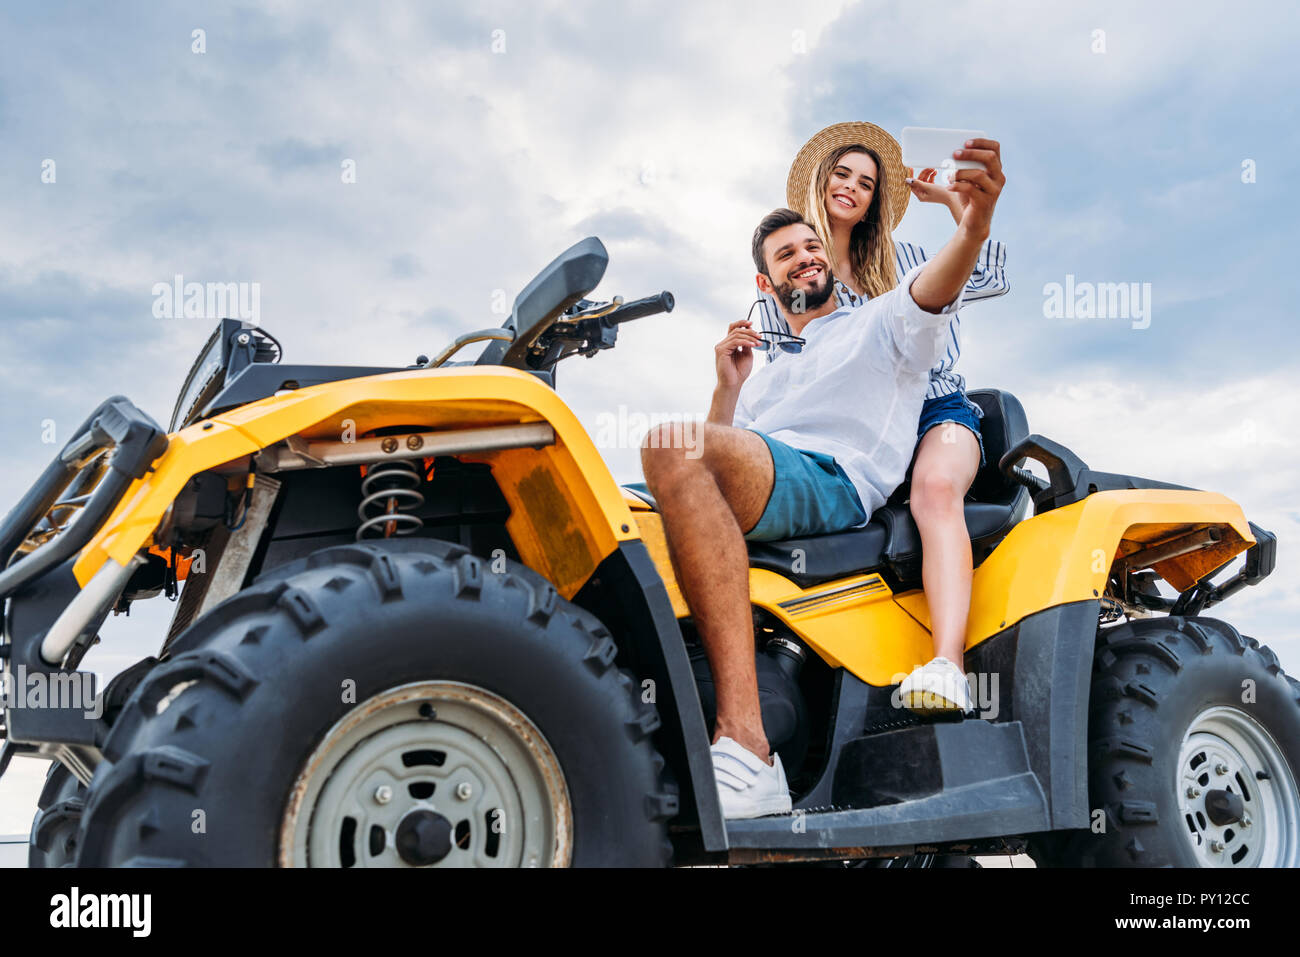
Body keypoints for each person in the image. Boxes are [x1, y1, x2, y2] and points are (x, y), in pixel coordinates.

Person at [640, 138, 1005, 818]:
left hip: (832, 479)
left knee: (670, 444)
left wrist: (972, 226)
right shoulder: (769, 370)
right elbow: (711, 457)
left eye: (811, 246)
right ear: (765, 284)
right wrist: (727, 386)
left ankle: (747, 747)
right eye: (787, 254)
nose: (806, 255)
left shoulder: (884, 321)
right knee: (618, 501)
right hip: (767, 467)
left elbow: (938, 286)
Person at [755, 123, 1009, 715]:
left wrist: (956, 206)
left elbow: (992, 271)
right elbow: (779, 379)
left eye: (867, 183)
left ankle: (949, 665)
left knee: (935, 490)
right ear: (820, 182)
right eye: (842, 174)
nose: (852, 188)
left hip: (934, 411)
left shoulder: (910, 258)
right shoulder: (798, 278)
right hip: (848, 430)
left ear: (875, 201)